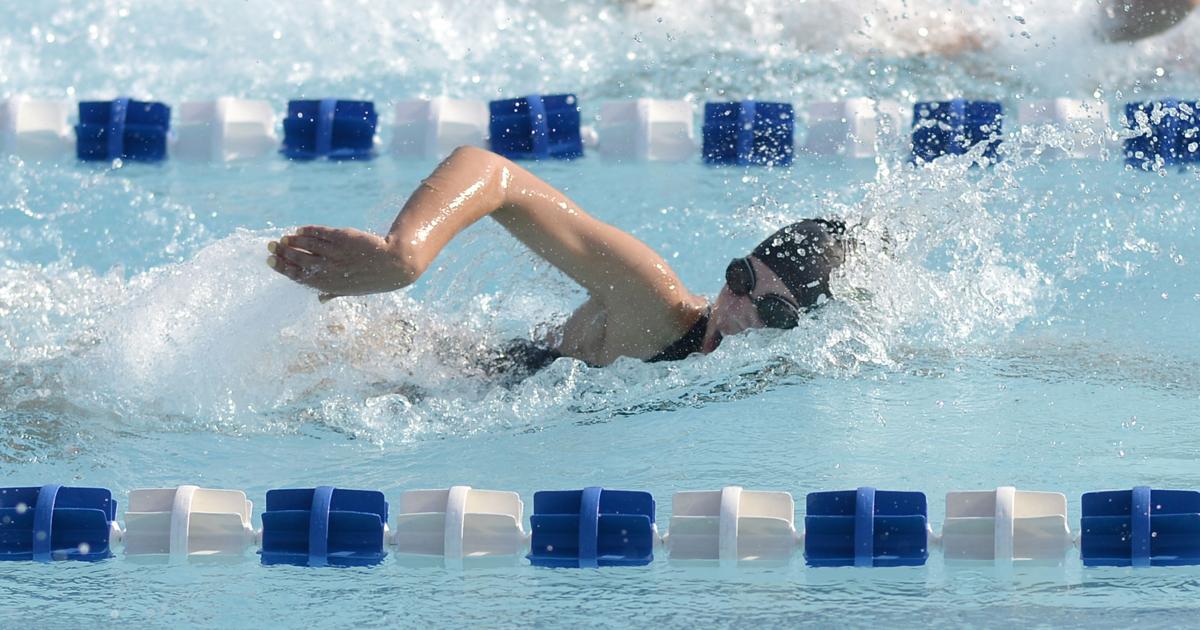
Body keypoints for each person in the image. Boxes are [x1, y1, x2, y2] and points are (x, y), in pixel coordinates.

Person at [266, 146, 846, 371]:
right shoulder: (657, 306)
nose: (738, 311)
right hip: (446, 378)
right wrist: (406, 255)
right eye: (739, 279)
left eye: (774, 313)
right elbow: (493, 173)